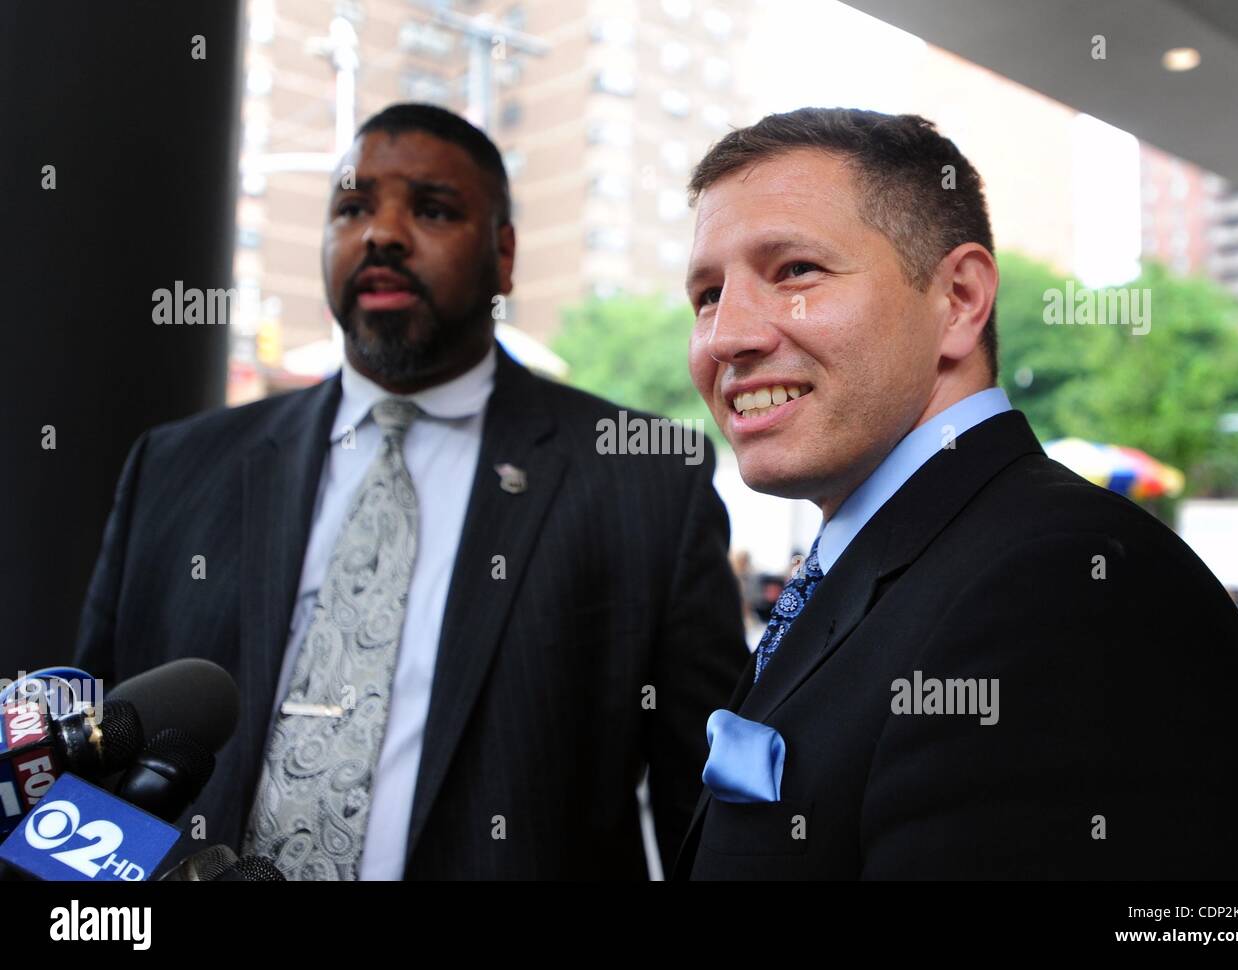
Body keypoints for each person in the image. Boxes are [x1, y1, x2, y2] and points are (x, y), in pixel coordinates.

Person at [74, 103, 747, 880]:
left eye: (431, 209)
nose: (381, 234)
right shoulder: (177, 468)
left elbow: (701, 814)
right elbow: (97, 756)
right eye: (352, 208)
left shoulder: (644, 482)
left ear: (505, 254)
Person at [673, 107, 1238, 879]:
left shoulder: (1065, 591)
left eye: (795, 271)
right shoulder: (893, 560)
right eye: (705, 295)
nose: (727, 335)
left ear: (960, 299)